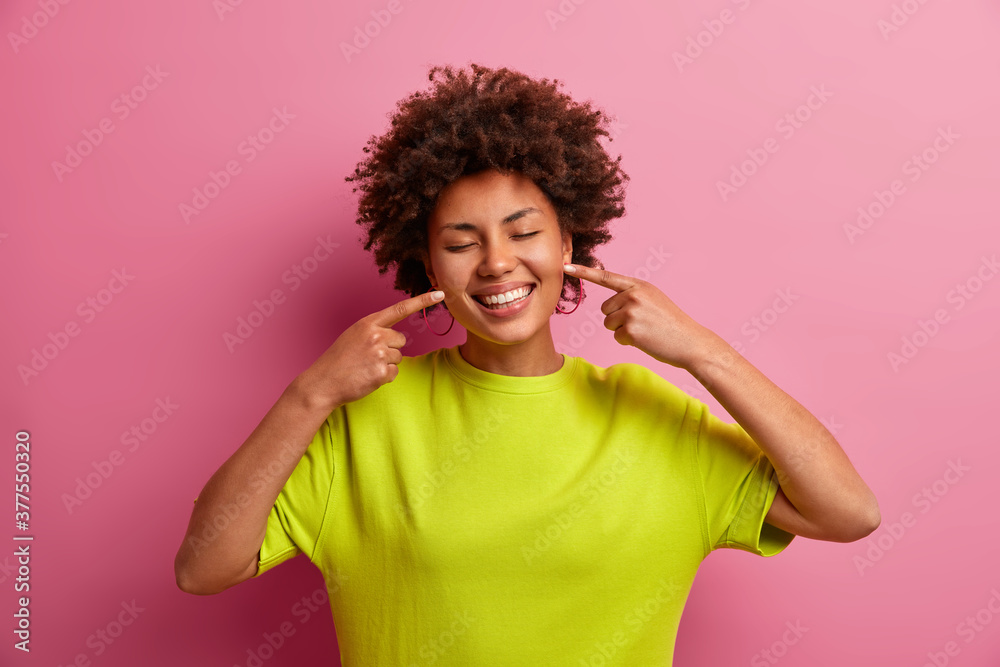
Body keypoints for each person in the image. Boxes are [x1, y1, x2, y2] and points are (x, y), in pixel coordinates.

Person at [174, 63, 880, 665]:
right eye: (462, 241)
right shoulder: (363, 421)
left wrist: (703, 350)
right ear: (426, 263)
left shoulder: (651, 414)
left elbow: (849, 511)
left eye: (523, 232)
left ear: (569, 238)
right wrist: (311, 393)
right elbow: (203, 566)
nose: (498, 263)